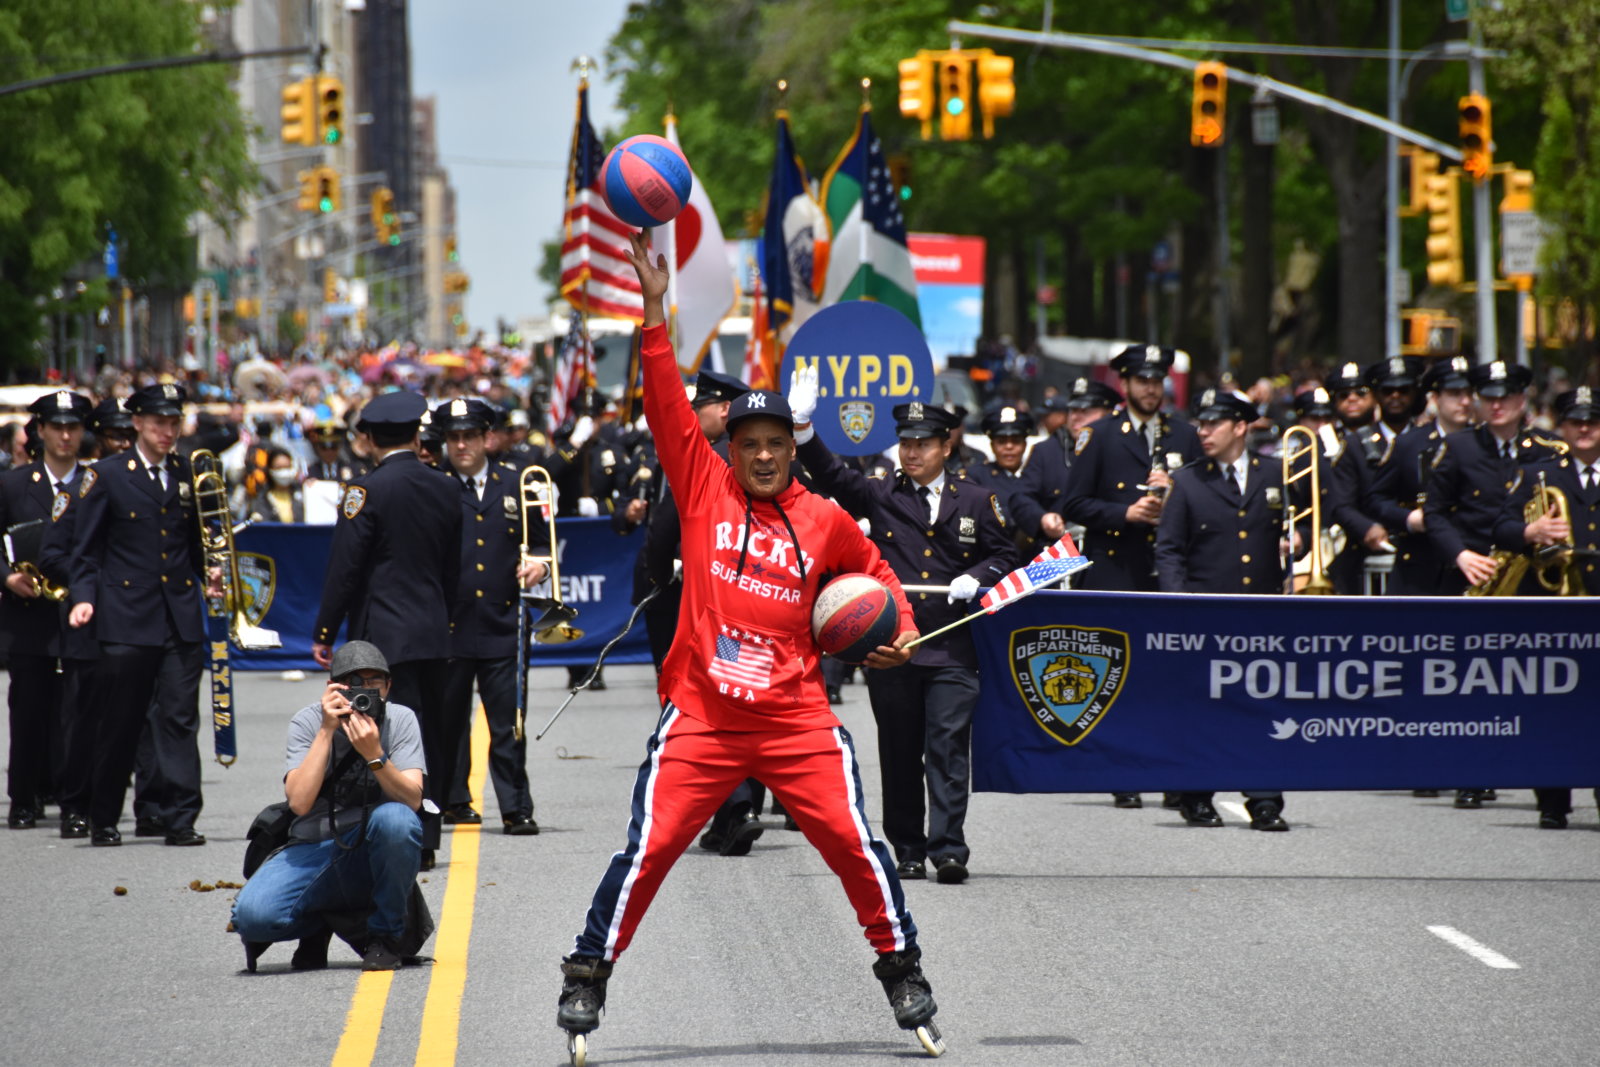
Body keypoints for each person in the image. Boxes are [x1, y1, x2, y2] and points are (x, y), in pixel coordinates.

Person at [556, 231, 943, 1058]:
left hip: (795, 716)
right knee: (652, 847)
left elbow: (878, 575)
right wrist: (655, 311)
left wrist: (900, 633)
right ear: (730, 448)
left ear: (793, 447)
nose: (764, 454)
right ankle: (589, 971)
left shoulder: (824, 518)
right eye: (749, 443)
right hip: (702, 714)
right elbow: (664, 395)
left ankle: (901, 965)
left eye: (777, 443)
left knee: (852, 841)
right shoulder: (700, 486)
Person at [794, 387, 1018, 883]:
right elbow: (831, 476)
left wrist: (977, 576)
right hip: (894, 646)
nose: (911, 452)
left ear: (945, 446)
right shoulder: (882, 493)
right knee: (899, 750)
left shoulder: (978, 500)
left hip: (954, 645)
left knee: (948, 746)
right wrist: (804, 429)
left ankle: (949, 847)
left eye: (922, 443)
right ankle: (909, 847)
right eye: (905, 443)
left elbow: (1007, 555)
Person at [313, 391, 462, 855]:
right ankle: (428, 836)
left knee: (387, 733)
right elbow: (452, 566)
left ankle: (395, 834)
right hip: (434, 630)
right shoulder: (445, 485)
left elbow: (345, 567)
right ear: (418, 434)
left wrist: (324, 631)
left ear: (370, 437)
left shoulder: (365, 490)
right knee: (431, 733)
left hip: (383, 635)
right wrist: (446, 617)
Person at [67, 383, 215, 846]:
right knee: (122, 719)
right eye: (158, 423)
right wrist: (83, 596)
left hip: (178, 615)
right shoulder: (107, 475)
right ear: (137, 424)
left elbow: (191, 544)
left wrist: (206, 577)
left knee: (178, 717)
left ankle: (180, 817)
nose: (168, 432)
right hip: (127, 614)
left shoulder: (186, 472)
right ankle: (104, 815)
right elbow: (85, 549)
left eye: (174, 423)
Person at [231, 640, 428, 972]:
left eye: (373, 682)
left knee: (397, 820)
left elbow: (411, 799)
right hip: (315, 845)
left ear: (389, 686)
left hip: (372, 846)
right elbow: (299, 802)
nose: (362, 692)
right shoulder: (308, 721)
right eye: (353, 683)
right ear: (332, 687)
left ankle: (385, 937)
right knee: (253, 918)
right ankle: (318, 923)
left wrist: (374, 756)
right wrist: (326, 731)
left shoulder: (400, 719)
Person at [1154, 390, 1295, 831]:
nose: (1203, 431)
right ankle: (1196, 796)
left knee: (1263, 705)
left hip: (1262, 611)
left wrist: (1301, 540)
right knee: (1204, 710)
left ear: (1240, 427)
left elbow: (1305, 521)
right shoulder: (1190, 481)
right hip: (1206, 613)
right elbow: (1170, 550)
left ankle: (1265, 799)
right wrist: (1179, 603)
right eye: (1200, 423)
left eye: (1214, 424)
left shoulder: (1276, 472)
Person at [1424, 360, 1561, 810]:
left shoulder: (1548, 448)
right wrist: (1460, 554)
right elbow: (1435, 513)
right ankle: (1472, 773)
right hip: (1476, 575)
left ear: (1523, 400)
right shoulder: (1459, 448)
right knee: (1473, 680)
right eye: (1488, 397)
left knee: (1538, 678)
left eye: (1506, 396)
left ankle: (1548, 778)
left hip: (1535, 579)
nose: (1497, 405)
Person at [434, 397, 546, 834]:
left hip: (503, 622)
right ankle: (455, 800)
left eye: (470, 437)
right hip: (451, 624)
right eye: (454, 438)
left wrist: (540, 565)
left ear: (487, 438)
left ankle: (516, 806)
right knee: (450, 721)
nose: (462, 445)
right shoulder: (436, 484)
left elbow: (544, 545)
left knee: (509, 722)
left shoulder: (517, 482)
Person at [1491, 387, 1599, 828]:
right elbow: (1501, 526)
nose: (1585, 429)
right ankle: (1553, 800)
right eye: (1575, 422)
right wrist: (1531, 530)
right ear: (1563, 428)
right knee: (1555, 706)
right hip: (1557, 609)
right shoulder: (1540, 473)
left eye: (1592, 421)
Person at [2, 392, 91, 829]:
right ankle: (24, 796)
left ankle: (75, 803)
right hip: (29, 615)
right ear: (40, 431)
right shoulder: (14, 484)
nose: (65, 435)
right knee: (29, 708)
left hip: (79, 612)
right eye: (56, 427)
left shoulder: (95, 482)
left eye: (73, 427)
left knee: (77, 712)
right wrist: (6, 577)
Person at [1062, 345, 1201, 593]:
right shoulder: (1099, 434)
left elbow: (1207, 498)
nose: (1151, 389)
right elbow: (1074, 503)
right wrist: (1125, 513)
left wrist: (1175, 490)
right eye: (1142, 380)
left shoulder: (1185, 435)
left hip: (1170, 571)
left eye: (1157, 381)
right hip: (1115, 569)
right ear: (1124, 385)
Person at [1369, 357, 1475, 596]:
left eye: (1469, 393)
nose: (1465, 401)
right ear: (1435, 399)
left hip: (1470, 561)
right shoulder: (1409, 444)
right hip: (1419, 566)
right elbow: (1377, 499)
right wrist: (1408, 519)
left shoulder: (1484, 444)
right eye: (1455, 393)